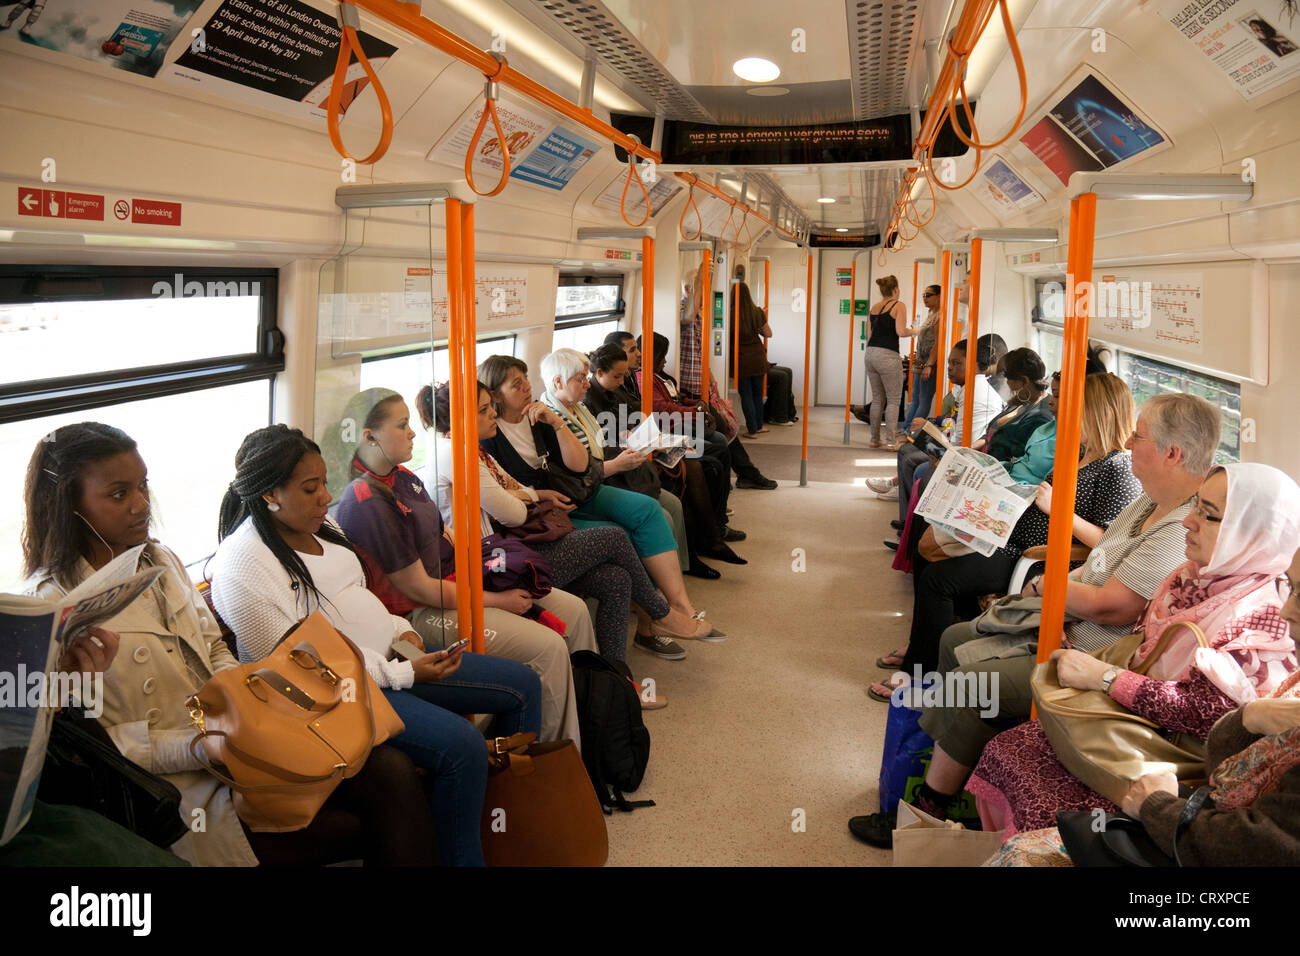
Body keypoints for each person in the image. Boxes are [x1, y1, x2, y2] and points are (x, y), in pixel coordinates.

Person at [25, 423, 435, 866]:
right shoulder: (52, 607)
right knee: (358, 827)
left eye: (143, 485)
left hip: (237, 745)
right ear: (70, 505)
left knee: (388, 770)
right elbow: (94, 748)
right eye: (119, 494)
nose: (142, 504)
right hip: (177, 783)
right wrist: (203, 746)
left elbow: (213, 650)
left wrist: (247, 716)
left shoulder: (161, 561)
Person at [850, 392, 1221, 847]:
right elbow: (1101, 557)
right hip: (1067, 619)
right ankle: (956, 760)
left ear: (1172, 453)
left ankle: (931, 807)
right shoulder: (1148, 503)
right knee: (954, 638)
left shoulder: (1179, 524)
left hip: (1092, 651)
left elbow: (1114, 606)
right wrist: (1057, 583)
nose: (1128, 441)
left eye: (1138, 436)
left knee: (972, 687)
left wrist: (1048, 587)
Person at [209, 424, 542, 867]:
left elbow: (357, 594)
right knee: (460, 745)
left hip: (394, 662)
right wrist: (404, 672)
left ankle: (495, 828)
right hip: (339, 696)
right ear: (270, 494)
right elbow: (295, 665)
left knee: (522, 685)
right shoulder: (242, 564)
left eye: (324, 482)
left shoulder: (318, 525)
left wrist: (399, 633)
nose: (326, 497)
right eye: (310, 488)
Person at [968, 462, 1300, 836]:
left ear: (1252, 532)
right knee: (1010, 746)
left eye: (1208, 515)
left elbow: (1203, 717)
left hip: (1175, 754)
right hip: (1139, 719)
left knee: (1017, 746)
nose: (1188, 522)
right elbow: (1146, 644)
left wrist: (1105, 677)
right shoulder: (1192, 576)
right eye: (1195, 507)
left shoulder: (1260, 615)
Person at [325, 388, 595, 745]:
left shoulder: (403, 478)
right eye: (403, 426)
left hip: (459, 578)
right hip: (424, 610)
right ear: (369, 437)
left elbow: (445, 534)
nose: (412, 433)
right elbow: (418, 588)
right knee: (547, 648)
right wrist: (499, 600)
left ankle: (590, 720)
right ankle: (554, 757)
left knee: (574, 610)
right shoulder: (366, 501)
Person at [870, 372, 1142, 700]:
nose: (1065, 417)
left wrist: (1059, 512)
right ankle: (922, 648)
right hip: (1008, 534)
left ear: (1099, 415)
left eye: (1076, 411)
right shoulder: (1079, 454)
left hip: (1032, 557)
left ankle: (922, 673)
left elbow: (1108, 544)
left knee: (939, 581)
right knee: (926, 550)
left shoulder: (1118, 469)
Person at [419, 381, 713, 668]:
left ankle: (615, 679)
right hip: (496, 564)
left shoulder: (475, 452)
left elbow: (517, 491)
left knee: (616, 579)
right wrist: (525, 495)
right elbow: (514, 514)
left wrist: (524, 494)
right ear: (460, 419)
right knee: (612, 537)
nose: (492, 414)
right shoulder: (458, 455)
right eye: (484, 410)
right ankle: (660, 614)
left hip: (508, 548)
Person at [477, 354, 722, 639]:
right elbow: (502, 495)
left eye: (525, 380)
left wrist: (557, 424)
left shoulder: (540, 417)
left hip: (570, 494)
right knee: (621, 536)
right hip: (537, 516)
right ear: (495, 395)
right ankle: (655, 618)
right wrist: (538, 495)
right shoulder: (490, 437)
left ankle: (679, 607)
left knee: (649, 509)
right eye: (516, 385)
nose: (526, 388)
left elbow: (579, 465)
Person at [584, 343, 743, 573]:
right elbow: (602, 444)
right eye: (617, 376)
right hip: (624, 457)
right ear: (599, 373)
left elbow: (639, 412)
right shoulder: (589, 402)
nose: (621, 381)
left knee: (703, 461)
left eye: (623, 375)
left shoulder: (616, 389)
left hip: (643, 443)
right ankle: (708, 542)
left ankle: (709, 538)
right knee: (695, 468)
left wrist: (644, 434)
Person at [539, 348, 692, 574]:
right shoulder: (552, 420)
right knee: (659, 513)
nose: (587, 384)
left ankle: (678, 572)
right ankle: (658, 587)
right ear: (559, 382)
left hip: (603, 475)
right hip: (586, 491)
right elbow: (581, 471)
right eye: (581, 379)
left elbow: (597, 443)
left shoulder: (578, 408)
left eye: (586, 378)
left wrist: (622, 440)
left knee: (673, 504)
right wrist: (618, 464)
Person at [638, 331, 779, 490]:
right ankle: (741, 476)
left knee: (720, 427)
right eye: (662, 356)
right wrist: (694, 411)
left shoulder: (659, 376)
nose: (665, 361)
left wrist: (696, 404)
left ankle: (740, 476)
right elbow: (663, 408)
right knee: (719, 435)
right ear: (653, 355)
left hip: (678, 419)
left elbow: (677, 398)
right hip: (670, 427)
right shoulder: (643, 378)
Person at [854, 275, 911, 449]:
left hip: (870, 354)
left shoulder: (874, 308)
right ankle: (891, 442)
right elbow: (901, 331)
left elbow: (869, 336)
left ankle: (874, 439)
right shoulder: (898, 305)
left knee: (878, 399)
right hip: (888, 356)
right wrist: (915, 330)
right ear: (896, 290)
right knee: (894, 400)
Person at [734, 280, 773, 439]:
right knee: (757, 394)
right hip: (757, 358)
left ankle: (752, 431)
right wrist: (759, 321)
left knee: (747, 395)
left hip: (742, 360)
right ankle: (759, 426)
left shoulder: (731, 314)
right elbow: (769, 334)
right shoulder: (757, 312)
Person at [903, 284, 943, 427]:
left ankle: (910, 431)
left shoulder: (940, 316)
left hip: (928, 363)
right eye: (924, 295)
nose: (925, 298)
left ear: (939, 296)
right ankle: (906, 429)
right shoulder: (930, 314)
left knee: (924, 400)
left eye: (929, 295)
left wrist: (929, 365)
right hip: (920, 361)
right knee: (915, 399)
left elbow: (937, 344)